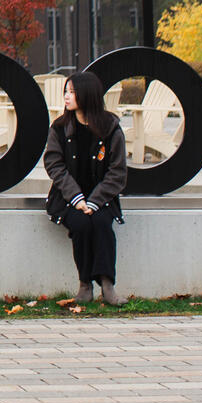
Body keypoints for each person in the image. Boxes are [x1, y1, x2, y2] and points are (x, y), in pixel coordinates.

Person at [44, 71, 129, 305]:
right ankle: (84, 285)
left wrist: (94, 201)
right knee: (81, 225)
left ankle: (107, 285)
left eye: (72, 92)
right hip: (68, 198)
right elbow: (54, 164)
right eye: (66, 91)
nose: (66, 96)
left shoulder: (110, 128)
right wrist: (77, 199)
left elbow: (117, 171)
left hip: (102, 198)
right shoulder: (60, 128)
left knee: (101, 223)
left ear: (87, 95)